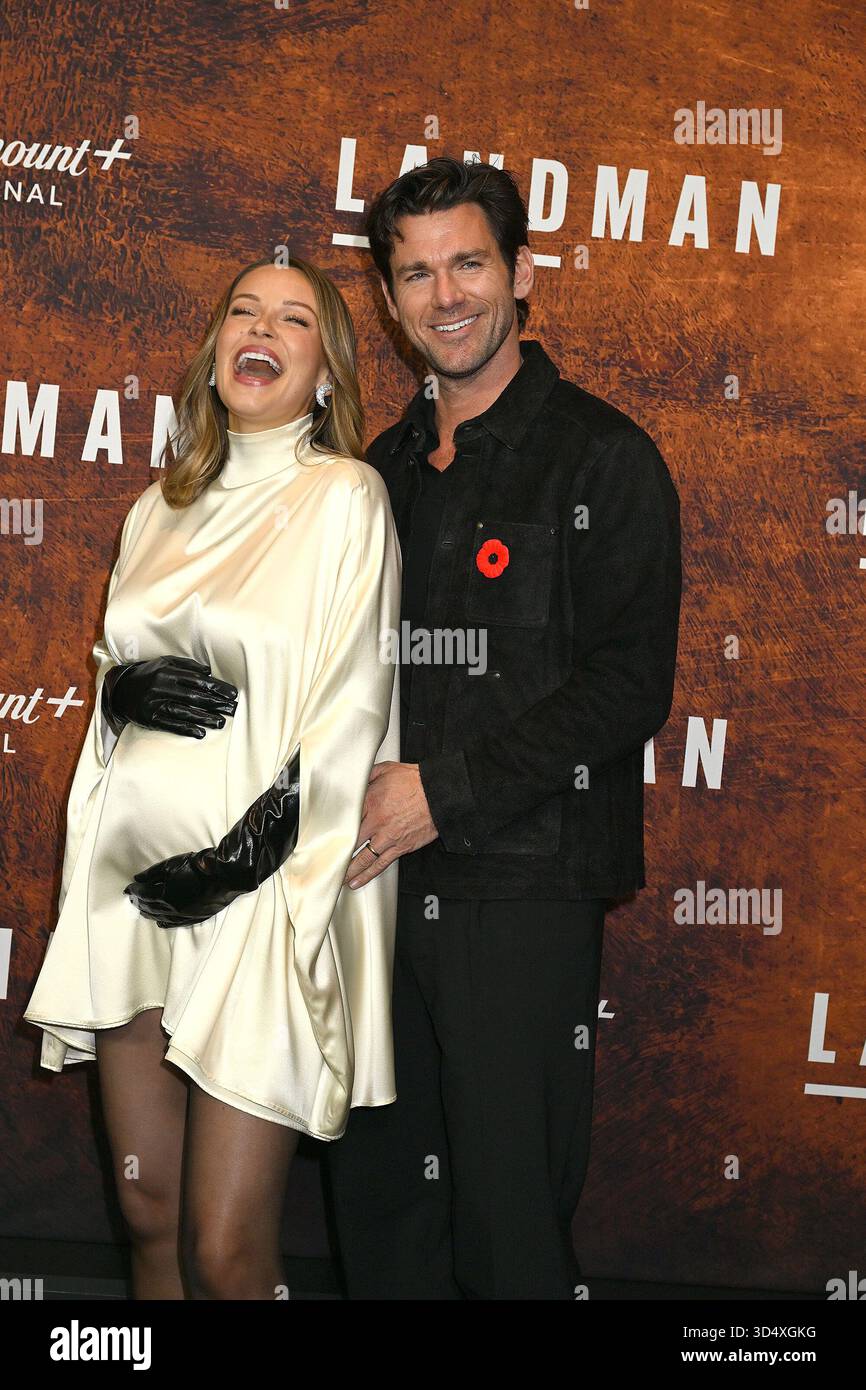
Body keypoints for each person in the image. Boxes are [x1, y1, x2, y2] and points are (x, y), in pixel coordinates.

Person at [324, 157, 683, 1299]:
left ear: (523, 272)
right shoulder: (374, 474)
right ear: (388, 301)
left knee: (507, 1229)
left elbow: (627, 686)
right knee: (381, 1221)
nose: (445, 296)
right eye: (415, 273)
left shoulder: (603, 457)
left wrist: (446, 789)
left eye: (467, 262)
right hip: (372, 898)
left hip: (519, 892)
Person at [22, 255, 402, 1300]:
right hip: (130, 890)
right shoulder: (156, 509)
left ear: (324, 370)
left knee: (225, 1246)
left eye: (293, 318)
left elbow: (352, 700)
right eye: (242, 310)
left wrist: (242, 858)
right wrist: (119, 692)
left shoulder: (344, 500)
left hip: (254, 902)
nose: (259, 328)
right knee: (147, 1216)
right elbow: (112, 673)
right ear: (215, 346)